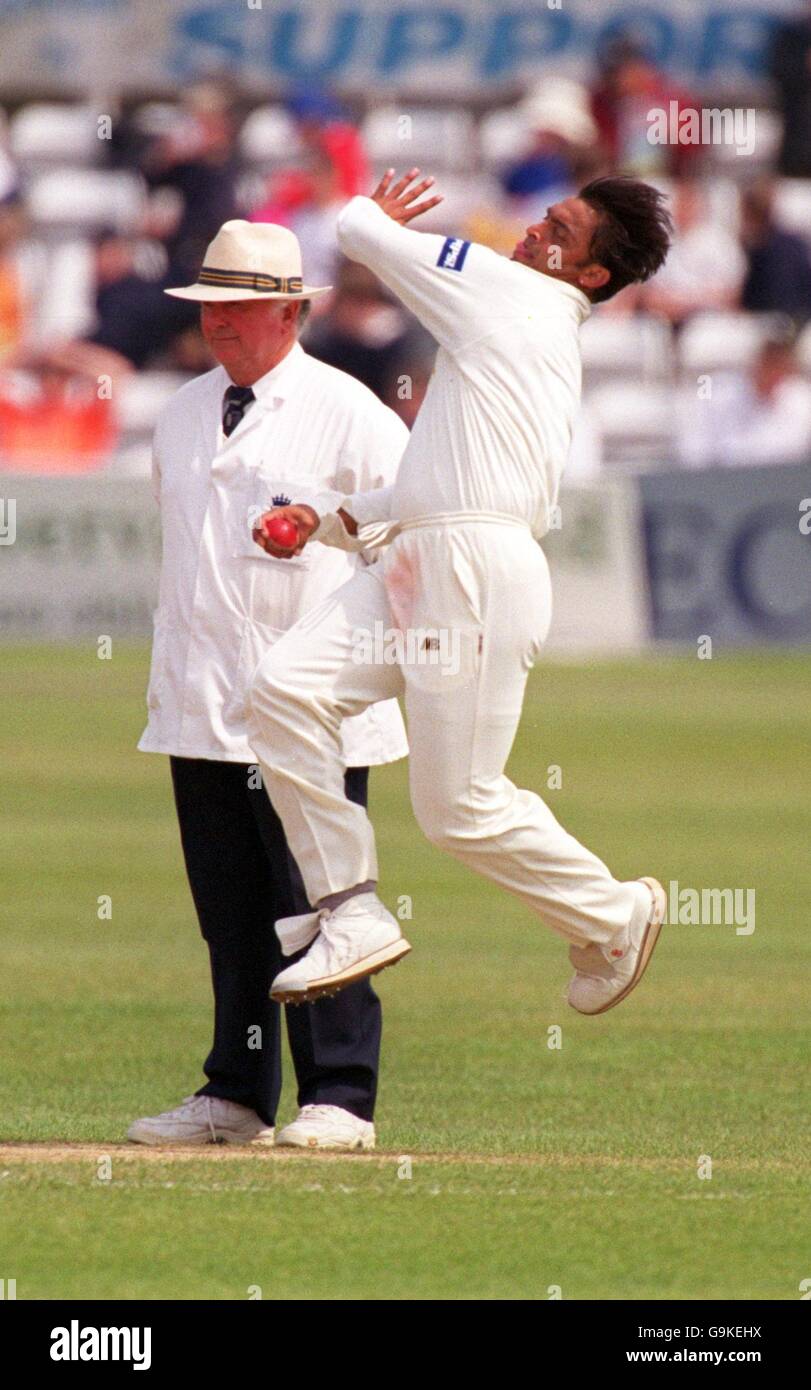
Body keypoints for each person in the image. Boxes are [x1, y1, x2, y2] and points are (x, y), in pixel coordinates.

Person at [245, 169, 673, 1020]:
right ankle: (349, 911)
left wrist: (372, 211)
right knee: (282, 690)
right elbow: (425, 496)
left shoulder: (515, 293)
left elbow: (358, 231)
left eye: (559, 228)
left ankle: (614, 912)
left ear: (590, 274)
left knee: (457, 809)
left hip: (474, 574)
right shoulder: (520, 327)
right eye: (544, 214)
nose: (532, 230)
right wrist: (321, 518)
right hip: (425, 556)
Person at [128, 219, 409, 1150]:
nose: (220, 322)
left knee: (324, 910)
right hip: (202, 704)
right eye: (210, 305)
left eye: (241, 306)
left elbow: (407, 539)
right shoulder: (179, 413)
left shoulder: (351, 412)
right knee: (233, 920)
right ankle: (238, 1092)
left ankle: (341, 1095)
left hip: (308, 712)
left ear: (291, 308)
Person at [677, 335, 811, 469]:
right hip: (722, 480)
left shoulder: (801, 399)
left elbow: (793, 451)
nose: (771, 371)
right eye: (766, 361)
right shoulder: (717, 393)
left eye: (778, 363)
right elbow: (695, 449)